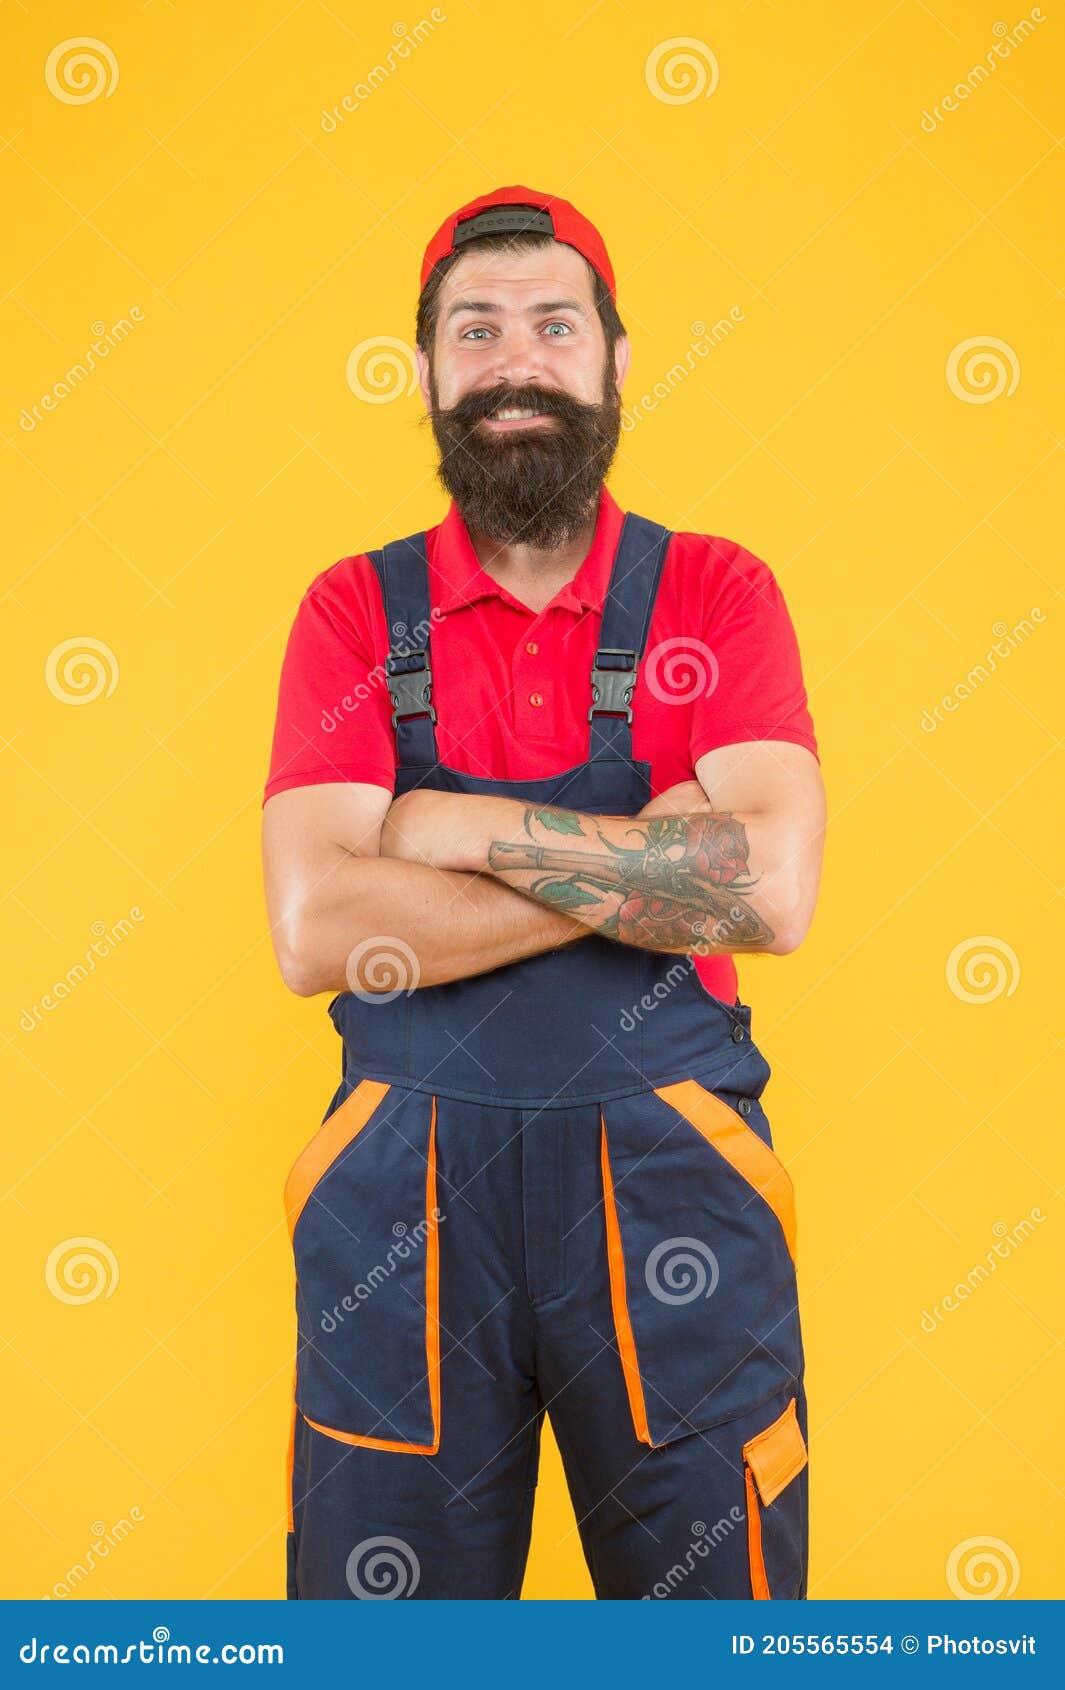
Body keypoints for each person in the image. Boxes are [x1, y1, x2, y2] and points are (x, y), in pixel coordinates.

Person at [261, 185, 826, 1601]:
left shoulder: (717, 592)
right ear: (427, 375)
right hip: (401, 1206)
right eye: (476, 330)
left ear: (617, 362)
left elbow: (768, 889)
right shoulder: (351, 612)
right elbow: (318, 928)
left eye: (554, 326)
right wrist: (644, 849)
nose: (516, 361)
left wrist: (448, 825)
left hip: (672, 1190)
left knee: (712, 1624)